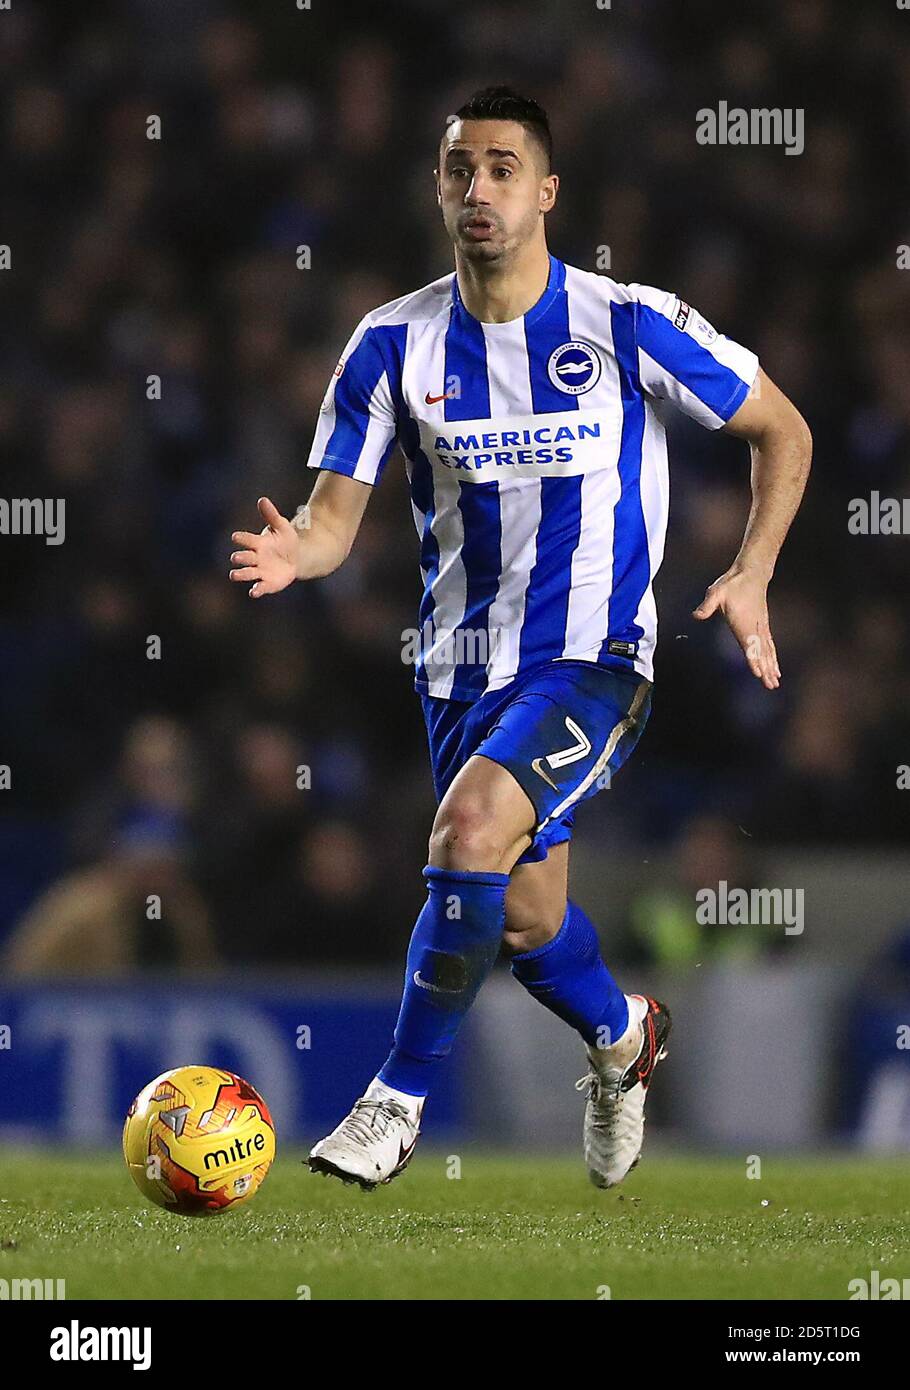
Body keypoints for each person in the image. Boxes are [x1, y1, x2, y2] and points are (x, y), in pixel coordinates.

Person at [229, 87, 812, 1190]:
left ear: (545, 192)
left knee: (467, 833)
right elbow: (332, 519)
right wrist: (299, 552)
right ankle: (623, 1033)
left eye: (503, 167)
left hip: (595, 660)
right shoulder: (389, 343)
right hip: (456, 674)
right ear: (438, 188)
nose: (479, 187)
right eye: (460, 168)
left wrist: (751, 570)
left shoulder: (626, 321)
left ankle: (394, 1097)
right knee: (523, 917)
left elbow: (781, 426)